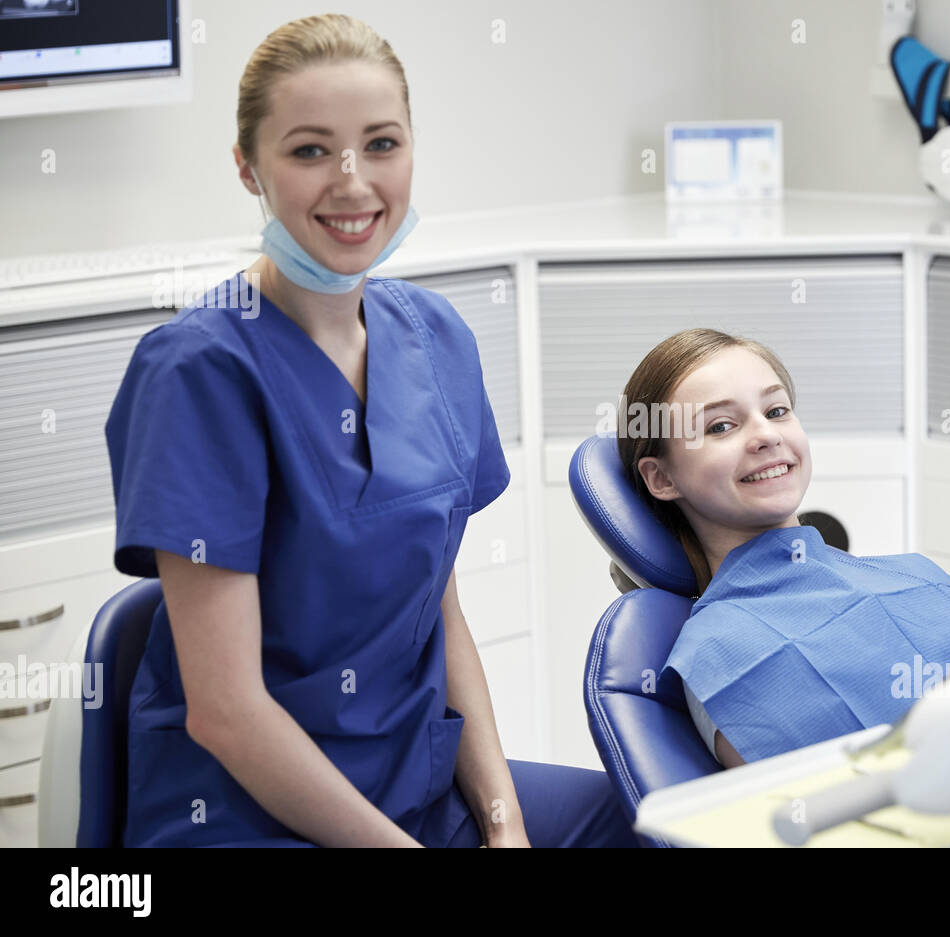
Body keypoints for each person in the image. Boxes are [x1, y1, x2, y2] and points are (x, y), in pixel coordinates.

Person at [105, 14, 637, 847]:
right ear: (248, 168)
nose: (353, 183)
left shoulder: (437, 338)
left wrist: (503, 823)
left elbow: (441, 614)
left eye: (381, 144)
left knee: (646, 821)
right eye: (311, 150)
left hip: (419, 784)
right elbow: (227, 713)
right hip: (249, 812)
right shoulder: (200, 373)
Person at [618, 328, 950, 768]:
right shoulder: (719, 655)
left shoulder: (916, 574)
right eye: (721, 426)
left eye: (777, 410)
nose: (765, 435)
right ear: (662, 478)